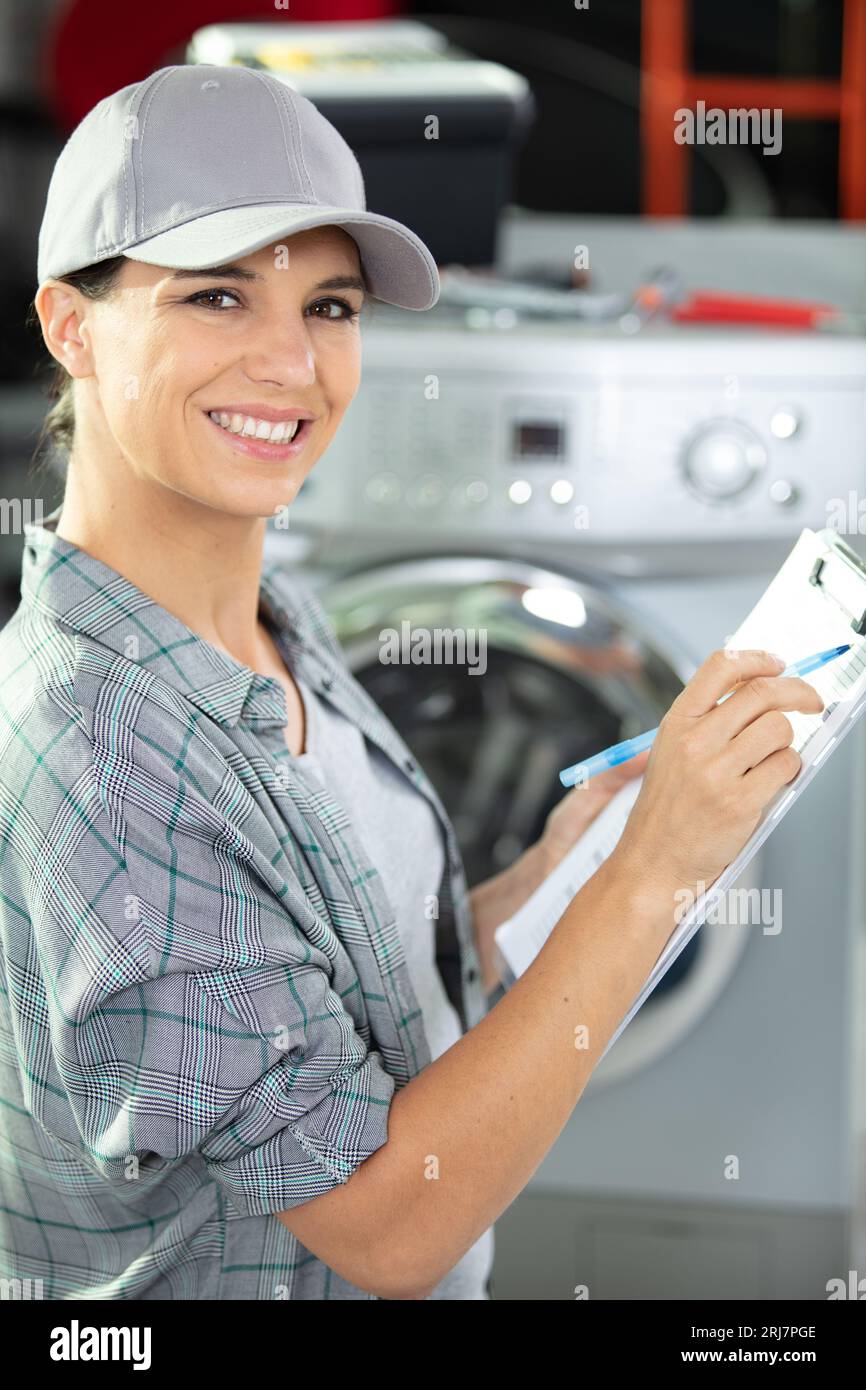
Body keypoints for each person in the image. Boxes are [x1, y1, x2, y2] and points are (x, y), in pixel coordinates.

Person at [0, 64, 823, 1302]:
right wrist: (657, 870)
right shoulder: (107, 753)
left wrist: (561, 875)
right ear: (72, 326)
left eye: (329, 307)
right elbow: (387, 1230)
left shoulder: (263, 619)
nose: (289, 363)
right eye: (219, 296)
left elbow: (353, 992)